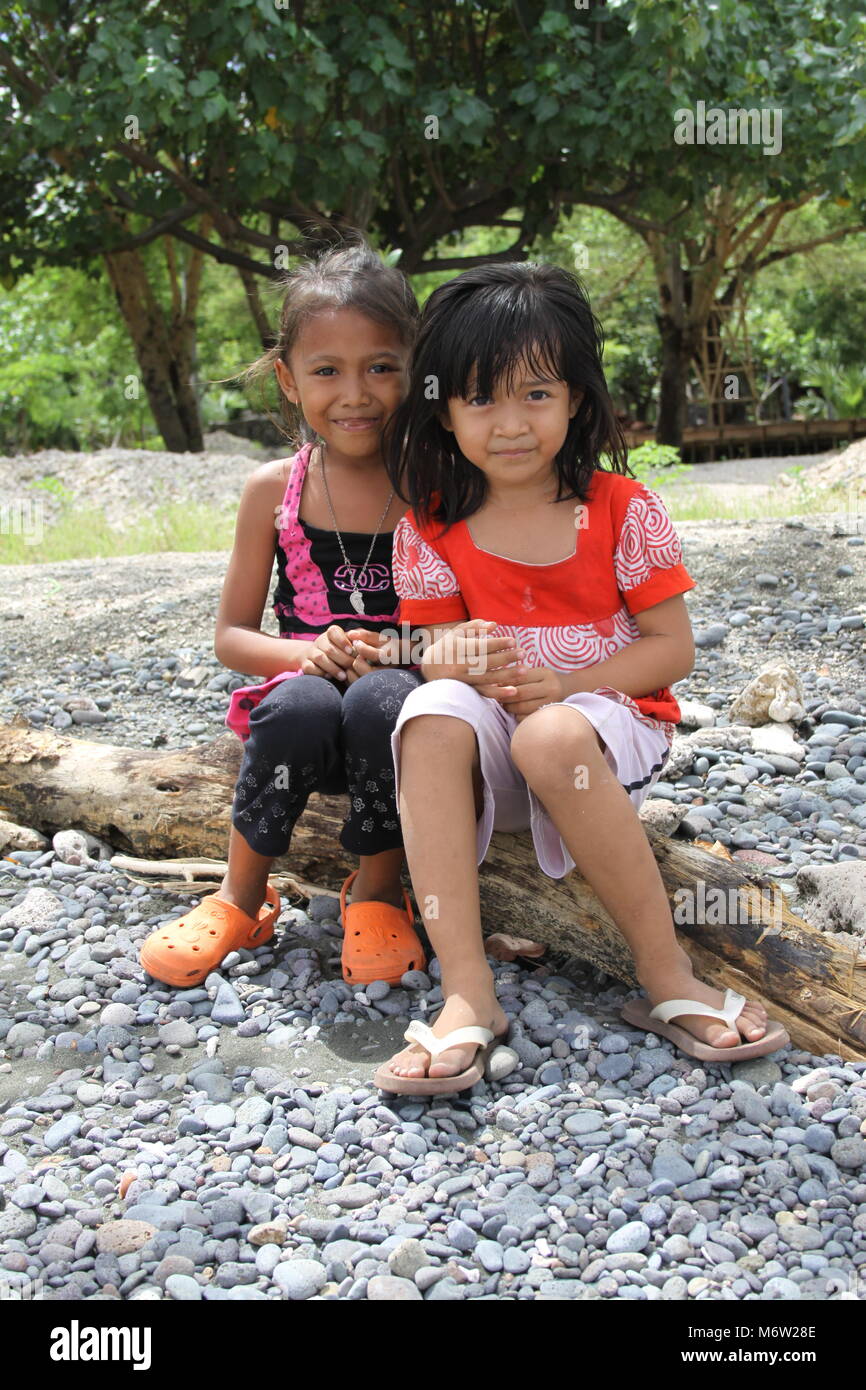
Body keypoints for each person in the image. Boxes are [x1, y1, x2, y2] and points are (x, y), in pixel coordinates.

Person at [360, 261, 788, 1095]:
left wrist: (568, 680)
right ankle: (466, 991)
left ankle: (664, 974)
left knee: (553, 734)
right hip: (490, 746)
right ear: (444, 412)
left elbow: (670, 650)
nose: (510, 423)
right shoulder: (434, 528)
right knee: (428, 712)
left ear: (578, 401)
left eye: (537, 394)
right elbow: (428, 649)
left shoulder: (622, 509)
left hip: (602, 725)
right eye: (481, 399)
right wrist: (455, 656)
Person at [139, 238, 428, 991]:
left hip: (405, 717)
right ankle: (241, 896)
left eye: (381, 367)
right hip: (298, 715)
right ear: (288, 380)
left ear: (414, 369)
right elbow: (231, 637)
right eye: (326, 370)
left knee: (381, 699)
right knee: (302, 701)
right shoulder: (274, 490)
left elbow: (480, 625)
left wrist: (397, 653)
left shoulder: (441, 486)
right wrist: (306, 653)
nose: (355, 393)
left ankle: (377, 891)